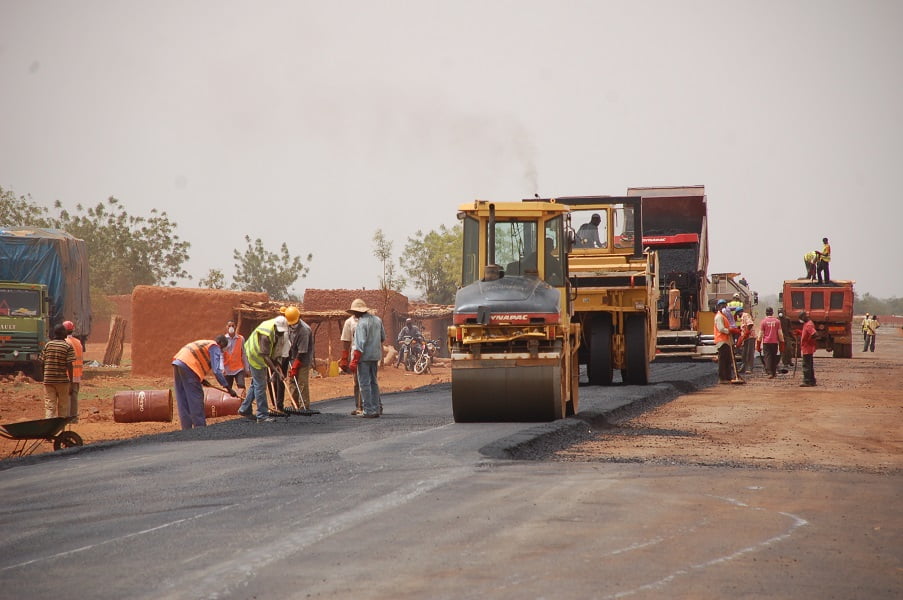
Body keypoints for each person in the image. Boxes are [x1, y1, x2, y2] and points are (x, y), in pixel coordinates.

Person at [171, 336, 236, 430]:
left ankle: (186, 429)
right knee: (196, 397)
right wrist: (228, 388)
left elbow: (198, 359)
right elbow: (217, 370)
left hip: (179, 362)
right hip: (189, 365)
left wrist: (201, 380)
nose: (221, 352)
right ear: (221, 343)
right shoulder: (214, 347)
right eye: (222, 349)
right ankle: (200, 428)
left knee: (183, 397)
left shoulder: (206, 343)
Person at [238, 315, 288, 422]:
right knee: (261, 385)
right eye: (279, 331)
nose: (281, 333)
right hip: (254, 355)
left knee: (255, 384)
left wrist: (278, 369)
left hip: (261, 357)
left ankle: (244, 408)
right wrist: (276, 372)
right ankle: (262, 415)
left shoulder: (281, 332)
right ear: (275, 327)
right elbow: (265, 356)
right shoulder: (265, 334)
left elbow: (277, 352)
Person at [348, 298, 386, 418]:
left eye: (355, 312)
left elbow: (359, 344)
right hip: (375, 356)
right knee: (374, 382)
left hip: (363, 357)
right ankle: (376, 408)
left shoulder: (361, 324)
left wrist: (354, 361)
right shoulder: (378, 320)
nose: (354, 314)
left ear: (358, 312)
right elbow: (383, 337)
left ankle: (368, 410)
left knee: (364, 383)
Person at [40, 324, 75, 418]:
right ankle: (60, 429)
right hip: (62, 381)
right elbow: (70, 366)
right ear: (63, 333)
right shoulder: (67, 346)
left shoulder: (48, 345)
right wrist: (71, 383)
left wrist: (44, 377)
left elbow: (42, 362)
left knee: (50, 406)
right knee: (63, 406)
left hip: (48, 380)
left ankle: (49, 429)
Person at [287, 315, 314, 410]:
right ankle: (294, 405)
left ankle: (304, 406)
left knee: (301, 382)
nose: (292, 325)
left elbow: (302, 352)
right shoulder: (288, 325)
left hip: (303, 359)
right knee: (292, 381)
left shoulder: (304, 330)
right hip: (291, 358)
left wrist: (295, 366)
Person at [340, 311, 362, 415]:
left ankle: (373, 405)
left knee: (370, 381)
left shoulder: (368, 321)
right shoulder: (349, 322)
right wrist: (344, 358)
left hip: (368, 355)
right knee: (357, 382)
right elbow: (346, 341)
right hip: (355, 356)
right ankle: (359, 406)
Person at [713, 300, 740, 384]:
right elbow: (721, 328)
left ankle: (728, 377)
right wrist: (729, 330)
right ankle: (722, 378)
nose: (723, 307)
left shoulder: (724, 316)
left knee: (728, 360)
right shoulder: (719, 316)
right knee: (723, 360)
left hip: (727, 341)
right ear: (718, 307)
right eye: (721, 305)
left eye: (724, 305)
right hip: (722, 341)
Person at [222, 320, 250, 399]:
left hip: (238, 369)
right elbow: (221, 354)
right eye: (229, 326)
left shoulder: (241, 339)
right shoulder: (223, 339)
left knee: (241, 387)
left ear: (235, 327)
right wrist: (221, 368)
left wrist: (247, 368)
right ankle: (228, 407)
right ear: (226, 327)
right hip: (227, 369)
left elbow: (244, 354)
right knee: (227, 389)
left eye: (233, 325)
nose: (231, 327)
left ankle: (244, 405)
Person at [63, 320, 84, 423]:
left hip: (68, 374)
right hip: (77, 374)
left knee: (67, 397)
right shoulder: (78, 342)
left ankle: (67, 419)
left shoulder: (65, 342)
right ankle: (74, 418)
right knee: (74, 397)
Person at [756, 307, 785, 378]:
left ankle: (769, 372)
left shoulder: (763, 321)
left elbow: (760, 334)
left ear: (766, 313)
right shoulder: (777, 321)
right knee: (774, 357)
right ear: (772, 313)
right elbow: (780, 334)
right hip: (775, 342)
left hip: (766, 342)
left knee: (767, 357)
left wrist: (758, 344)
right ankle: (774, 372)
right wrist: (782, 343)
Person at [798, 311, 817, 387]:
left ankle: (807, 381)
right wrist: (800, 333)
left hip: (807, 348)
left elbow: (815, 334)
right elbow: (807, 333)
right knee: (810, 365)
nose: (800, 320)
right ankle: (812, 381)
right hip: (807, 348)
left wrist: (808, 340)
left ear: (803, 317)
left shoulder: (808, 324)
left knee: (806, 365)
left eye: (800, 318)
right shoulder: (807, 323)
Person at [735, 307, 756, 374]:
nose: (738, 315)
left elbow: (750, 324)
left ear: (739, 312)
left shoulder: (745, 315)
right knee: (744, 353)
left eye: (738, 314)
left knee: (750, 353)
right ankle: (743, 368)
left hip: (750, 337)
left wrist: (747, 333)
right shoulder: (741, 319)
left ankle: (750, 368)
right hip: (745, 338)